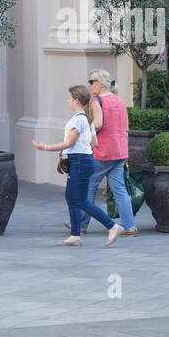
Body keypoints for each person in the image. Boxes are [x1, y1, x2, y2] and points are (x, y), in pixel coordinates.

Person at [33, 85, 124, 246]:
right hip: (83, 160)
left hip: (80, 162)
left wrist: (44, 147)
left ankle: (112, 226)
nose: (67, 101)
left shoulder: (77, 120)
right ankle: (75, 235)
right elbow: (94, 142)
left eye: (69, 98)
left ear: (76, 100)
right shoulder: (86, 119)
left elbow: (69, 142)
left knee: (81, 201)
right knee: (71, 197)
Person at [78, 69, 137, 236]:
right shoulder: (119, 100)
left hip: (103, 152)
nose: (88, 85)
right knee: (120, 189)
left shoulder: (96, 101)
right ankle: (129, 226)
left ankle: (80, 225)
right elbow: (125, 128)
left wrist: (84, 130)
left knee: (88, 186)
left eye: (91, 82)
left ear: (101, 84)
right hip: (119, 151)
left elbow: (97, 125)